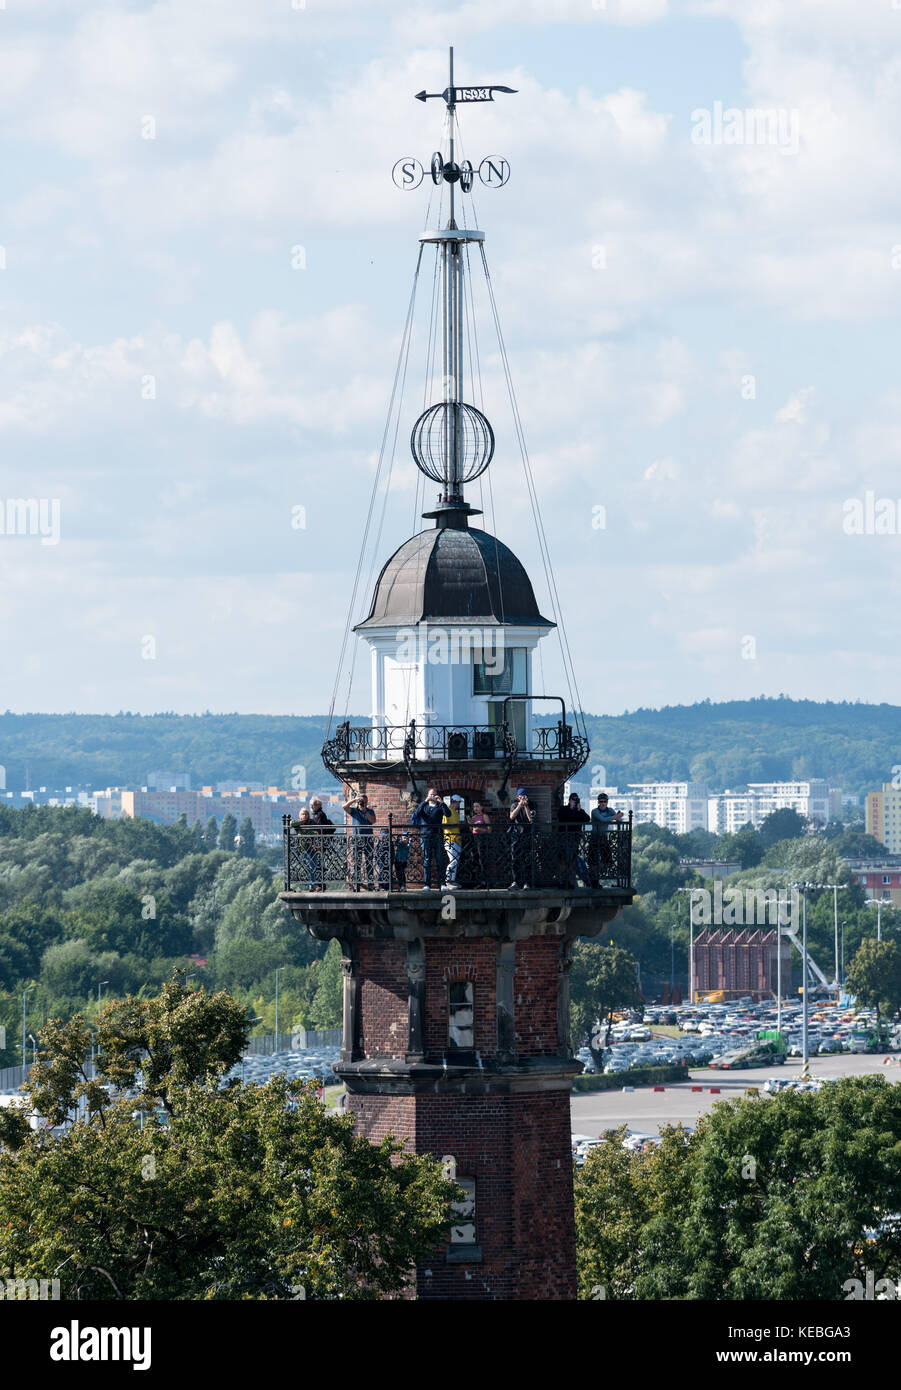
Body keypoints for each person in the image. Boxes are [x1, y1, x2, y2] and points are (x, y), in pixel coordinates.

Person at [412, 787, 451, 890]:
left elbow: (448, 814)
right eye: (431, 794)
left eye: (434, 795)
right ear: (427, 795)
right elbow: (416, 814)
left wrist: (441, 802)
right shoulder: (424, 806)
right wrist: (425, 801)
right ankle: (427, 884)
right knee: (427, 860)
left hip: (437, 835)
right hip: (425, 836)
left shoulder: (439, 806)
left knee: (440, 860)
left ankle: (442, 884)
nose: (432, 796)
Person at [342, 791, 376, 890]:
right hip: (357, 839)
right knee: (357, 863)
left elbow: (373, 821)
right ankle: (357, 884)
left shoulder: (370, 811)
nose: (362, 803)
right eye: (361, 801)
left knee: (369, 862)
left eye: (364, 802)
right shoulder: (354, 811)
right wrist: (354, 800)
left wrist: (365, 810)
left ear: (367, 802)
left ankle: (371, 884)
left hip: (368, 839)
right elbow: (344, 807)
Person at [589, 792, 624, 885]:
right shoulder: (594, 811)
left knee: (608, 861)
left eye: (604, 801)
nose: (603, 803)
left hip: (604, 838)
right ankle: (594, 880)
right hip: (594, 838)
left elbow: (619, 820)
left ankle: (595, 875)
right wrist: (615, 816)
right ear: (598, 802)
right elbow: (602, 819)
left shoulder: (610, 811)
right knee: (593, 861)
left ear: (607, 802)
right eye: (601, 801)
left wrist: (618, 817)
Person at [558, 792, 590, 888]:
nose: (574, 801)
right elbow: (561, 817)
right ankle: (563, 881)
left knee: (572, 860)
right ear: (569, 800)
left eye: (576, 800)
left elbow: (587, 819)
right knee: (564, 860)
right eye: (573, 799)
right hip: (564, 838)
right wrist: (571, 809)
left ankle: (570, 882)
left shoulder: (580, 811)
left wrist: (579, 810)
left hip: (575, 839)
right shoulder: (564, 809)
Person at [508, 787, 533, 891]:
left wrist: (526, 806)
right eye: (521, 795)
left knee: (527, 860)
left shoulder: (532, 805)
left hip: (527, 834)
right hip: (516, 835)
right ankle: (516, 882)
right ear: (518, 797)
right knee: (515, 859)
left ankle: (527, 882)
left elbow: (530, 819)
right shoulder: (514, 805)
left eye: (524, 795)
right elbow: (512, 817)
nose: (523, 797)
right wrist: (519, 805)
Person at [467, 800, 491, 888]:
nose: (475, 808)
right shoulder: (473, 818)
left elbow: (489, 830)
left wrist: (479, 829)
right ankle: (477, 881)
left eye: (477, 806)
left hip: (482, 840)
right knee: (474, 859)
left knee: (482, 860)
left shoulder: (484, 816)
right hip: (474, 840)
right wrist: (470, 824)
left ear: (481, 807)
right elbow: (471, 830)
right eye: (474, 807)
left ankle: (485, 882)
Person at [443, 795, 465, 890]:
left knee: (456, 861)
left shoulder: (456, 813)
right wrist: (455, 826)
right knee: (453, 860)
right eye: (458, 802)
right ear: (454, 802)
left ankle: (452, 880)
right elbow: (444, 826)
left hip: (457, 839)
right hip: (450, 839)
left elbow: (457, 826)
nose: (459, 804)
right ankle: (448, 881)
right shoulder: (447, 812)